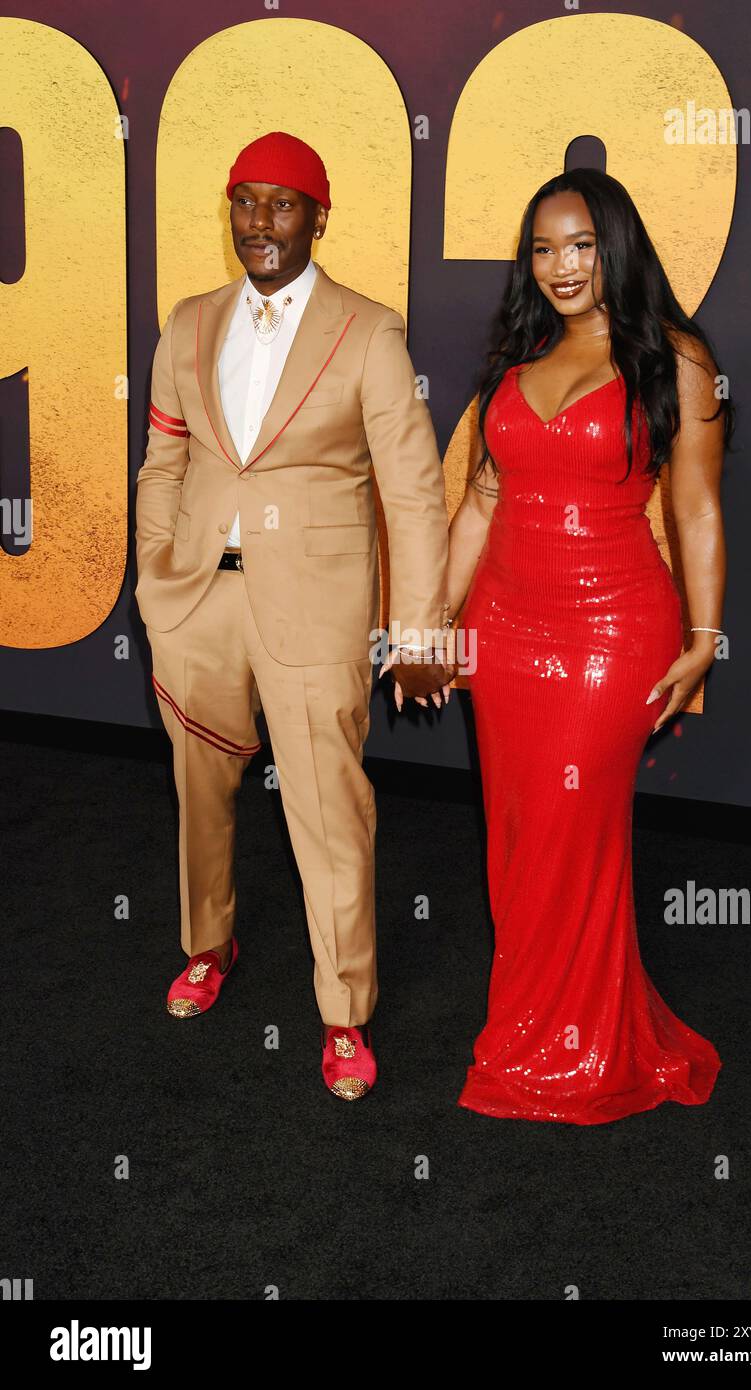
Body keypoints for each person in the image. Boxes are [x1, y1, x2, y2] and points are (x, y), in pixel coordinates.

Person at [135, 131, 453, 1101]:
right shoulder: (187, 324)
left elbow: (413, 492)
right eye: (245, 202)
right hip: (196, 602)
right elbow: (164, 464)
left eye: (282, 206)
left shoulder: (368, 333)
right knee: (198, 793)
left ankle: (344, 1011)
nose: (260, 224)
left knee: (327, 808)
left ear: (319, 216)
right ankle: (206, 944)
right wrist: (154, 577)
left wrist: (418, 626)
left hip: (316, 610)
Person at [446, 168, 729, 1124]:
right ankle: (537, 1022)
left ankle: (569, 1050)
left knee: (574, 833)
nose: (561, 266)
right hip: (504, 627)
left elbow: (692, 507)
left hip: (613, 634)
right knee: (519, 835)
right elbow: (482, 499)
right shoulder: (518, 356)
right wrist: (435, 624)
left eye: (579, 245)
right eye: (542, 248)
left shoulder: (675, 360)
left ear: (615, 247)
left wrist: (703, 636)